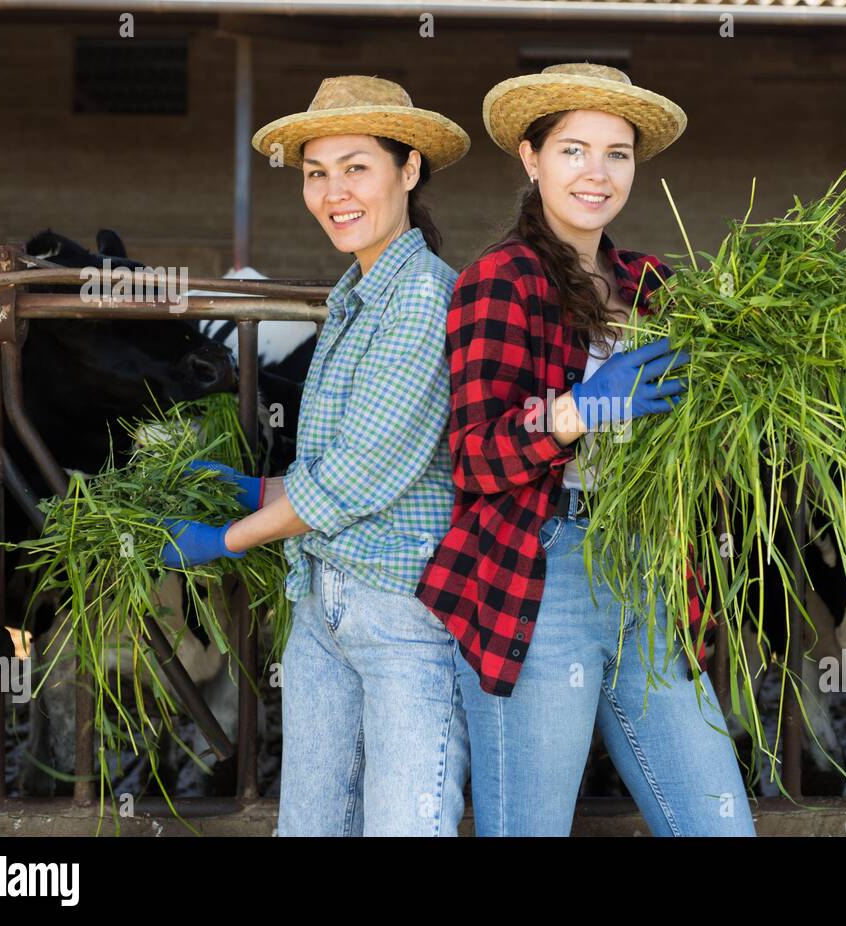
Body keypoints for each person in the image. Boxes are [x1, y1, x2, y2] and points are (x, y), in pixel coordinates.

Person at [416, 63, 757, 837]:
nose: (596, 173)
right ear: (531, 161)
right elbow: (472, 456)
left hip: (650, 567)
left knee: (719, 825)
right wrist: (575, 414)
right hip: (545, 567)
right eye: (572, 150)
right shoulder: (499, 280)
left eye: (617, 153)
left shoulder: (654, 285)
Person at [161, 75, 472, 836]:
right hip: (322, 605)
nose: (335, 191)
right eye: (315, 173)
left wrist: (223, 540)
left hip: (404, 615)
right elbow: (340, 464)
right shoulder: (352, 297)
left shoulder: (424, 299)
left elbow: (359, 475)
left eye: (357, 166)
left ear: (410, 170)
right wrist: (256, 486)